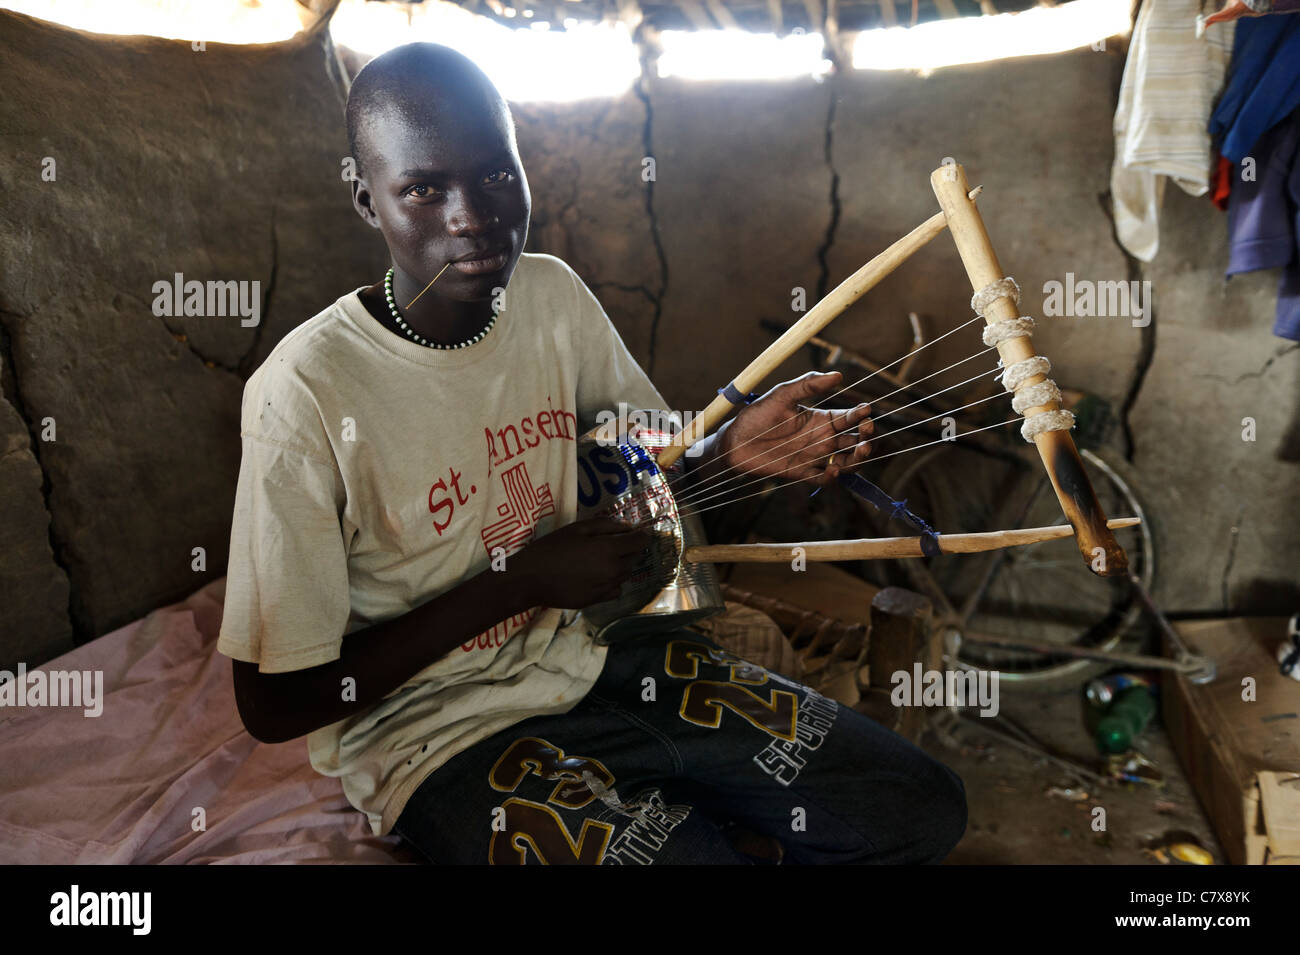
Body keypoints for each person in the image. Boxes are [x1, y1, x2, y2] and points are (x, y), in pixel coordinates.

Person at [216, 41, 966, 864]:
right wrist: (526, 579)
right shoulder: (306, 392)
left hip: (609, 654)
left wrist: (725, 452)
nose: (472, 215)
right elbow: (274, 701)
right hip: (441, 731)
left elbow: (639, 466)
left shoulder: (550, 296)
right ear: (367, 201)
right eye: (425, 188)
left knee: (919, 805)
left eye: (497, 175)